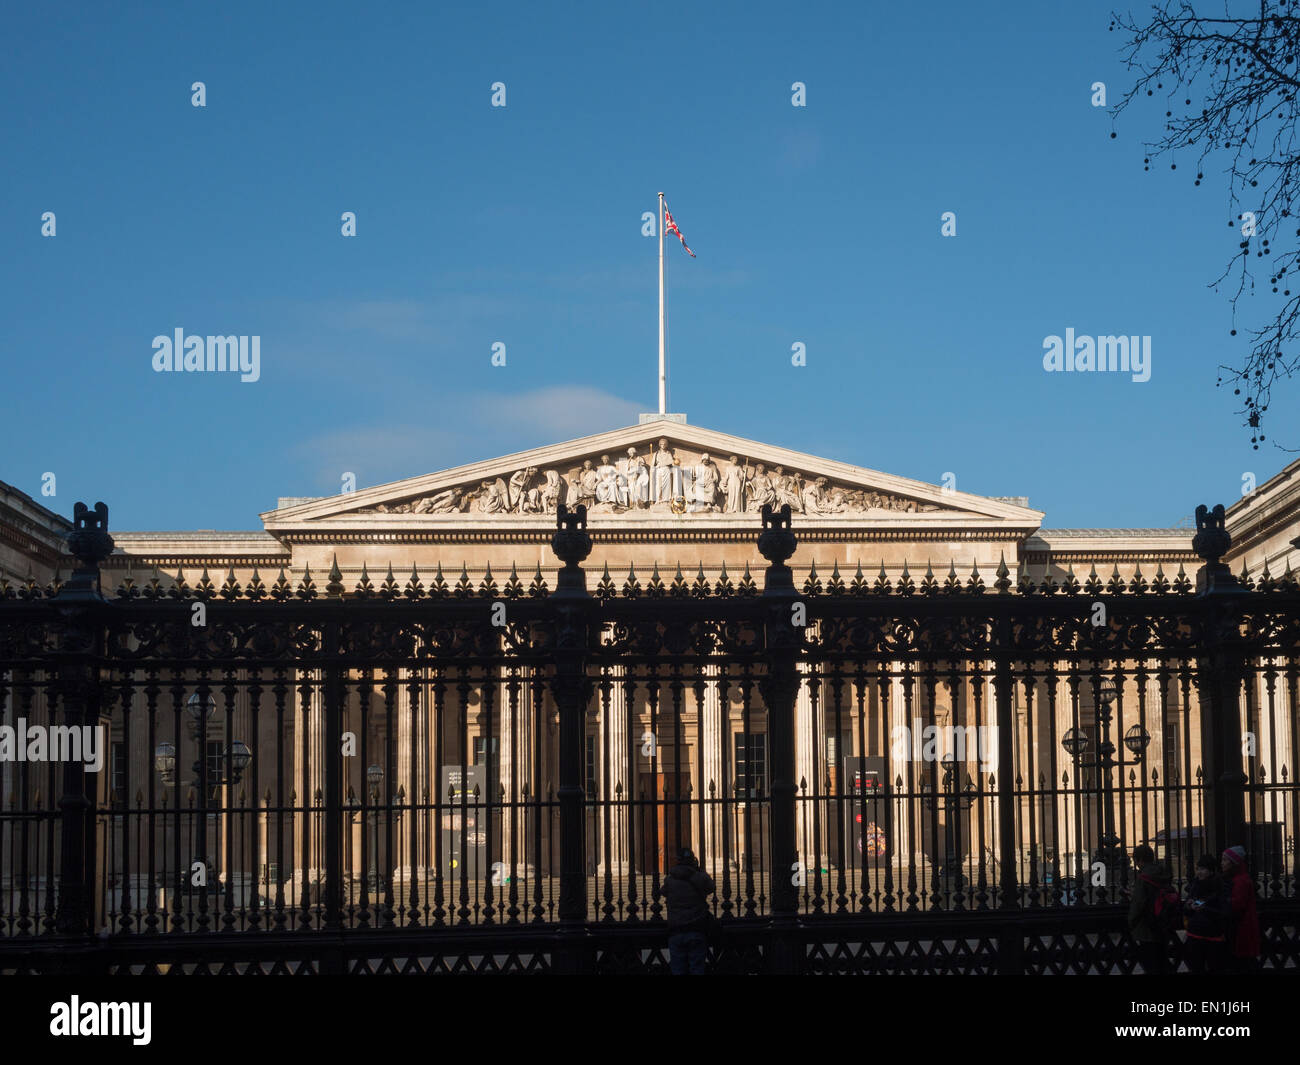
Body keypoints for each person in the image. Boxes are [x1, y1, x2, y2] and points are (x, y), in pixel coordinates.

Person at [661, 847, 715, 975]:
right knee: (697, 969)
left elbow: (662, 892)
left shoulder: (670, 879)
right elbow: (711, 887)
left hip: (676, 930)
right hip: (696, 929)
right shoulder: (699, 877)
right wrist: (699, 871)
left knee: (678, 970)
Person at [1127, 844, 1172, 974]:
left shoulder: (1143, 878)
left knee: (1151, 964)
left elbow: (1139, 905)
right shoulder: (1162, 873)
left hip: (1148, 927)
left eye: (1135, 861)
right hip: (1163, 923)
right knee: (1162, 961)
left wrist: (1131, 922)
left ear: (1139, 860)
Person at [1183, 854, 1229, 974]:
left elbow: (1223, 912)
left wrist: (1204, 909)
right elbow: (1186, 908)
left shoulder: (1219, 886)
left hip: (1213, 936)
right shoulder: (1195, 884)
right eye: (1198, 869)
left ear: (1211, 870)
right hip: (1194, 934)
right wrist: (1189, 906)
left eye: (1203, 869)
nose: (1199, 872)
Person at [1221, 845, 1260, 972]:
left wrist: (1220, 902)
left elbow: (1236, 905)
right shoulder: (1239, 879)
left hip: (1240, 930)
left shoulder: (1240, 881)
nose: (1222, 863)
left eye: (1225, 860)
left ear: (1234, 863)